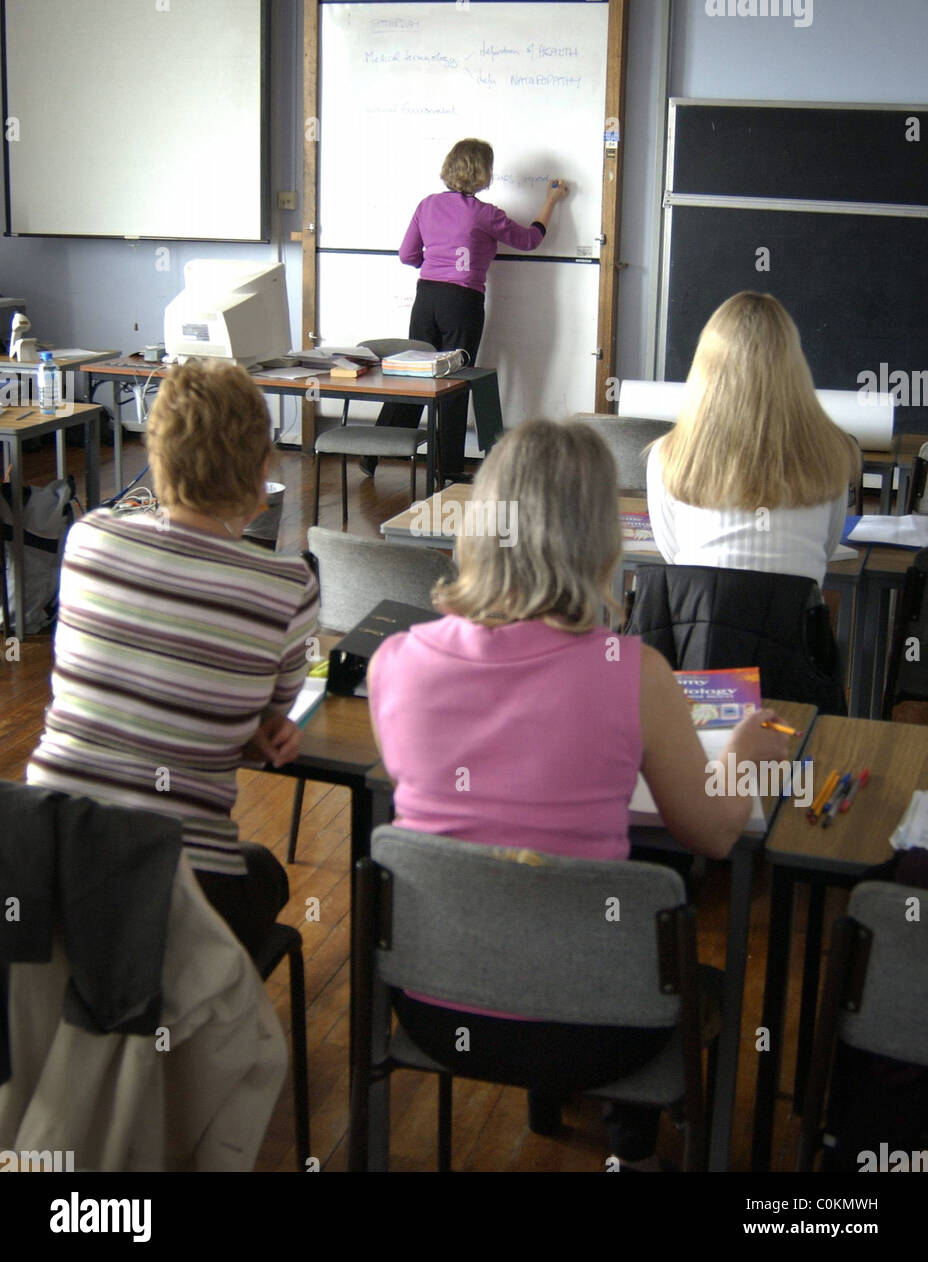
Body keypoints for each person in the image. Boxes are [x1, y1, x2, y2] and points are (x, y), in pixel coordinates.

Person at [367, 417, 790, 1169]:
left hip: (430, 1002)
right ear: (602, 538)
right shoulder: (635, 673)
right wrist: (749, 755)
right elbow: (717, 834)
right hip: (603, 1024)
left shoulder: (395, 664)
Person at [27, 360, 319, 959]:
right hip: (178, 889)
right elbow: (257, 730)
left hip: (44, 859)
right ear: (262, 468)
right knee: (265, 874)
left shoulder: (88, 540)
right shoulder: (288, 586)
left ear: (154, 451)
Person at [361, 138, 567, 483]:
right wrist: (551, 200)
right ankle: (449, 466)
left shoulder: (427, 205)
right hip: (463, 303)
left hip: (426, 299)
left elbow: (407, 256)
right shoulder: (485, 214)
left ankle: (372, 453)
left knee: (413, 377)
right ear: (483, 173)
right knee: (454, 381)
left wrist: (437, 264)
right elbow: (531, 239)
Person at [646, 291, 861, 586]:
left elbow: (674, 556)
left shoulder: (667, 454)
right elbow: (825, 551)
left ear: (705, 368)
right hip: (794, 627)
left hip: (697, 626)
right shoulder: (834, 452)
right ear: (795, 365)